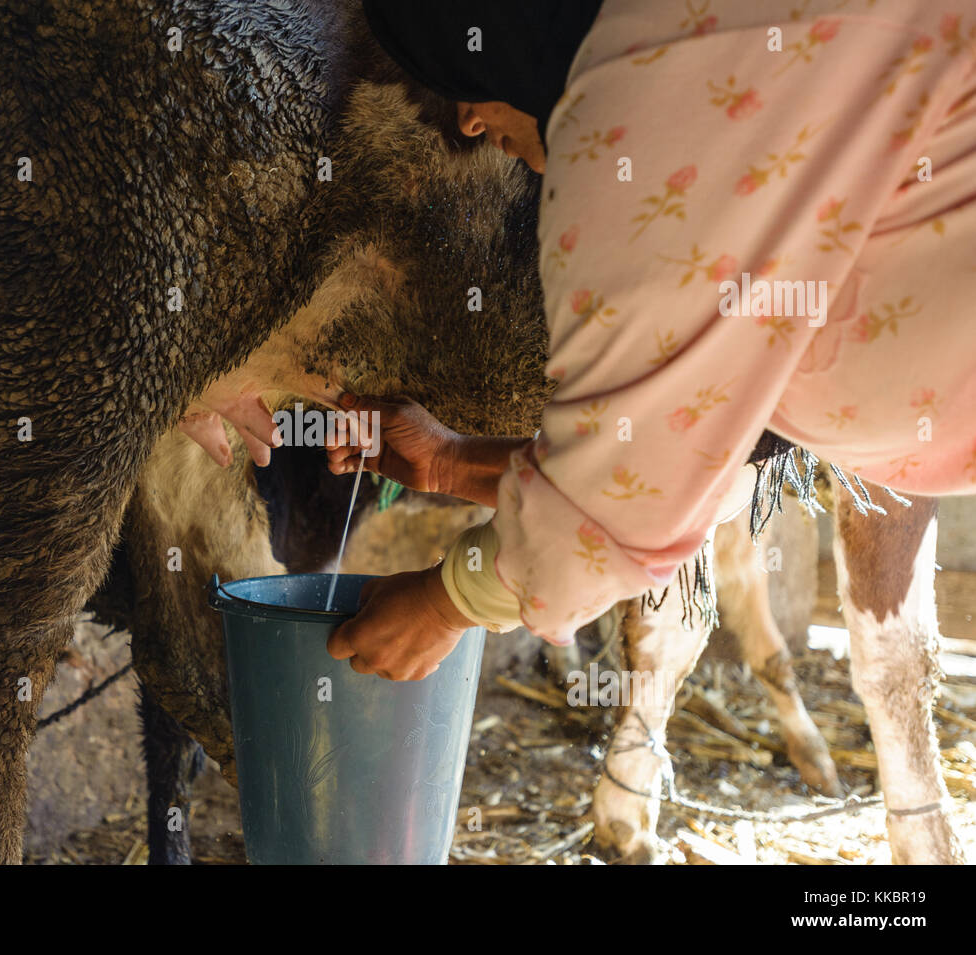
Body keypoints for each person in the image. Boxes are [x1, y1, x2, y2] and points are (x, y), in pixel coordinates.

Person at [312, 0, 976, 681]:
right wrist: (448, 464)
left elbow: (628, 498)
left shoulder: (639, 112)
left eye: (469, 70)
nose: (470, 121)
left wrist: (441, 603)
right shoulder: (698, 42)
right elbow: (692, 452)